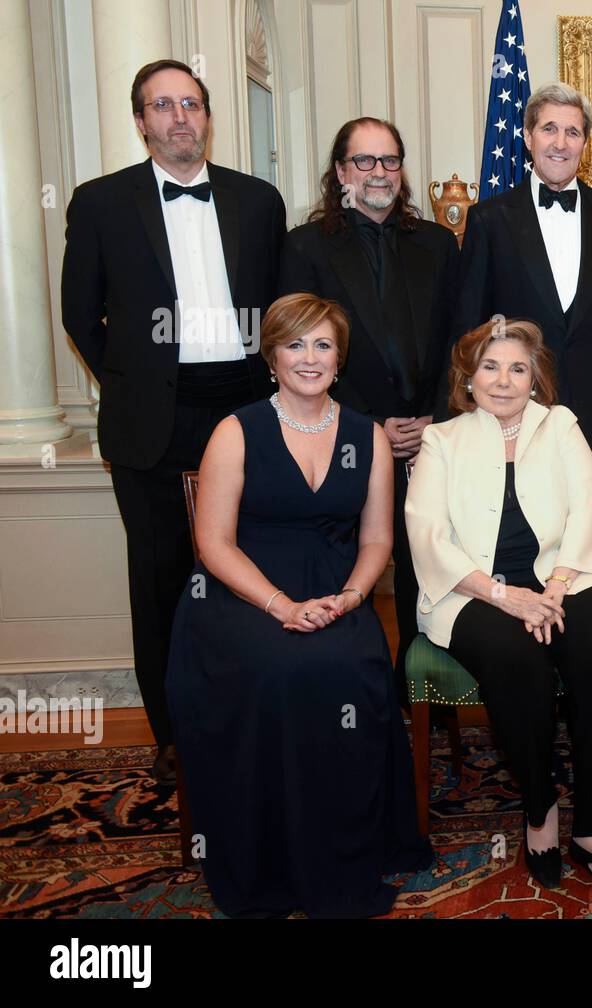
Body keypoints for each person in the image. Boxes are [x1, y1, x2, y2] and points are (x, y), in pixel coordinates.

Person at [166, 293, 431, 917]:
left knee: (354, 665)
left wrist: (351, 596)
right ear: (272, 356)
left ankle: (345, 850)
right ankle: (271, 854)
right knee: (281, 669)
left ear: (340, 359)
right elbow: (212, 543)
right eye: (294, 344)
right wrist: (280, 606)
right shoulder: (236, 430)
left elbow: (377, 539)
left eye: (323, 345)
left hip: (337, 590)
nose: (309, 358)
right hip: (242, 591)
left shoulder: (367, 435)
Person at [61, 59, 286, 784]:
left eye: (190, 104)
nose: (179, 118)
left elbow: (282, 314)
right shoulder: (100, 204)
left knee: (249, 570)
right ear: (141, 121)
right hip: (150, 423)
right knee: (160, 580)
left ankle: (250, 713)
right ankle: (171, 732)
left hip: (248, 412)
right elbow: (79, 315)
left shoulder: (259, 202)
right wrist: (138, 382)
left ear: (207, 116)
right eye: (163, 106)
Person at [405, 318, 592, 888]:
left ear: (535, 379)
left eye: (518, 368)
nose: (504, 380)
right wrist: (503, 595)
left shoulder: (560, 425)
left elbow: (586, 512)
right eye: (490, 367)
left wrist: (556, 588)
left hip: (568, 573)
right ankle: (539, 810)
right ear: (468, 376)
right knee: (519, 662)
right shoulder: (442, 439)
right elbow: (427, 536)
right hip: (471, 588)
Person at [279, 117, 459, 682]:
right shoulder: (304, 247)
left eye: (390, 161)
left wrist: (437, 418)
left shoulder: (434, 241)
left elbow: (459, 336)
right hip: (342, 436)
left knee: (421, 561)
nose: (379, 173)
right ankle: (341, 683)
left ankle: (416, 683)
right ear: (340, 172)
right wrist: (370, 425)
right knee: (346, 559)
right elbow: (299, 348)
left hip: (431, 432)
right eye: (365, 161)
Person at [454, 82, 592, 516]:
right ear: (527, 137)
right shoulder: (489, 219)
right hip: (513, 410)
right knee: (519, 530)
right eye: (548, 130)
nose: (560, 144)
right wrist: (461, 408)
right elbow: (468, 327)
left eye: (572, 132)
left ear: (585, 142)